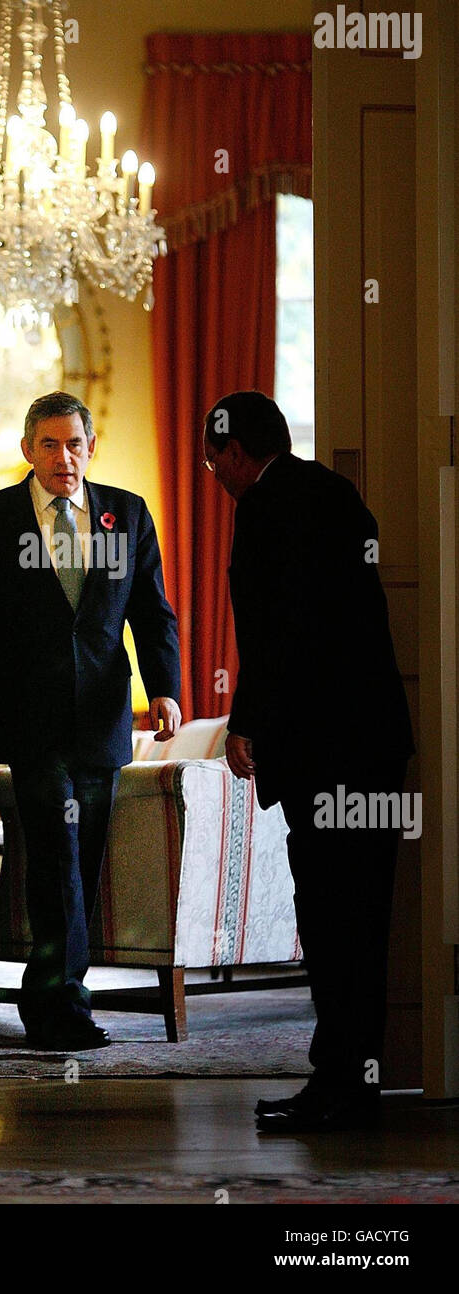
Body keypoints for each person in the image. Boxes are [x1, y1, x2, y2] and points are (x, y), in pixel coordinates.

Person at [203, 390, 414, 1133]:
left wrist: (245, 724)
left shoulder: (263, 509)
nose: (215, 476)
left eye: (213, 461)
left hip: (324, 750)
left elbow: (276, 635)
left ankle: (338, 1088)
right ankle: (351, 1082)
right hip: (376, 746)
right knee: (361, 920)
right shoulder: (334, 492)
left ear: (232, 452)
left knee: (328, 921)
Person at [0, 390, 182, 1051]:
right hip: (27, 721)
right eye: (49, 444)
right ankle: (56, 1009)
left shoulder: (125, 514)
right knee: (53, 858)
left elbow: (151, 613)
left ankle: (59, 998)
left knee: (81, 858)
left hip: (101, 720)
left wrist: (165, 689)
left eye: (74, 444)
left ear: (90, 448)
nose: (63, 458)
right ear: (28, 450)